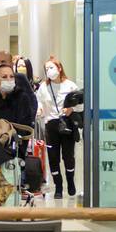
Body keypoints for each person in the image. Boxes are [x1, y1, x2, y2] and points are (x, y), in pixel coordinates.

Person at [36, 56, 80, 198]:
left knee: (68, 156)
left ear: (59, 68)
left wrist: (72, 109)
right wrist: (40, 109)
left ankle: (70, 182)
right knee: (53, 157)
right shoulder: (44, 87)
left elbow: (81, 103)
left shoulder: (71, 85)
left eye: (52, 67)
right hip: (51, 125)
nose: (49, 71)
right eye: (47, 68)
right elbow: (39, 102)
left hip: (67, 124)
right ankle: (58, 187)